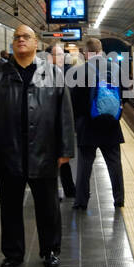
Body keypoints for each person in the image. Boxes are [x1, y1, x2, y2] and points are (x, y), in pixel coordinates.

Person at [0, 24, 75, 267]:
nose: (21, 40)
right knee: (10, 206)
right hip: (9, 151)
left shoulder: (52, 74)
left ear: (35, 43)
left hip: (44, 151)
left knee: (48, 206)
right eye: (17, 37)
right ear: (12, 43)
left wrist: (65, 150)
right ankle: (13, 253)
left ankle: (50, 250)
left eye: (26, 37)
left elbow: (65, 114)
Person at [70, 38, 126, 211]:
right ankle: (119, 199)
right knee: (114, 163)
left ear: (86, 53)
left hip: (88, 126)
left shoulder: (80, 71)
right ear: (101, 50)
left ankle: (81, 201)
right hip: (111, 125)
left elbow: (74, 101)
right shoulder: (116, 69)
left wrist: (78, 121)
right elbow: (124, 96)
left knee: (85, 165)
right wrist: (114, 115)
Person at [49, 42, 76, 202]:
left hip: (63, 123)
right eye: (56, 55)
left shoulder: (69, 73)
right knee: (51, 161)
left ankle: (69, 189)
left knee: (63, 159)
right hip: (48, 125)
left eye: (61, 55)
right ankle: (55, 191)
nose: (59, 58)